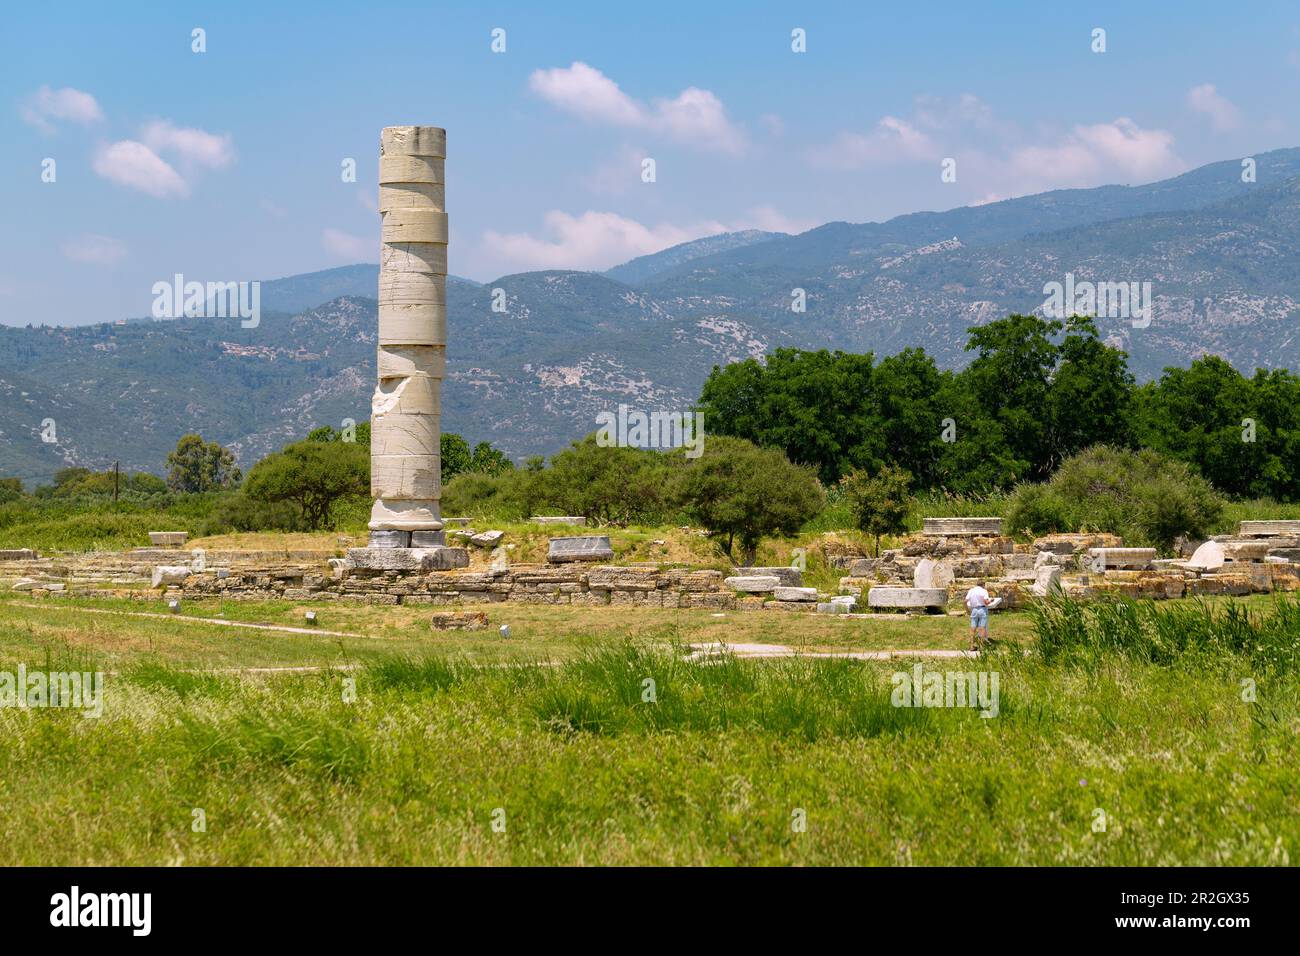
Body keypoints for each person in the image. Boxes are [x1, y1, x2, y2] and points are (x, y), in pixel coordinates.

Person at [965, 580, 991, 652]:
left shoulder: (971, 590)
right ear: (983, 585)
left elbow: (965, 601)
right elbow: (986, 602)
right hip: (982, 609)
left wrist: (967, 610)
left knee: (972, 628)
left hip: (974, 610)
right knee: (982, 628)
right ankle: (981, 647)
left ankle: (971, 646)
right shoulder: (984, 591)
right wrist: (990, 601)